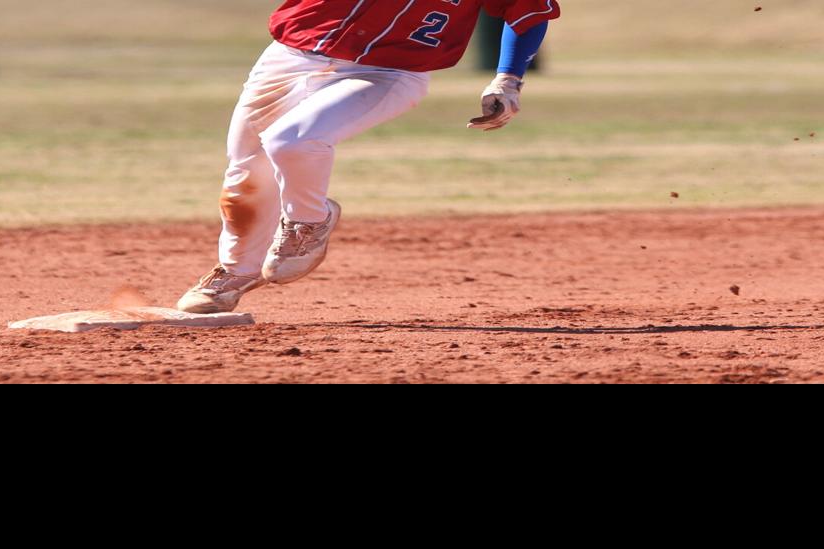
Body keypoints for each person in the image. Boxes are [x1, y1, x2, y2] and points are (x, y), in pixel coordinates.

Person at [177, 0, 561, 314]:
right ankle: (233, 274)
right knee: (246, 173)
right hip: (291, 56)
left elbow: (527, 9)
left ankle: (309, 221)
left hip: (389, 71)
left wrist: (508, 79)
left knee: (292, 141)